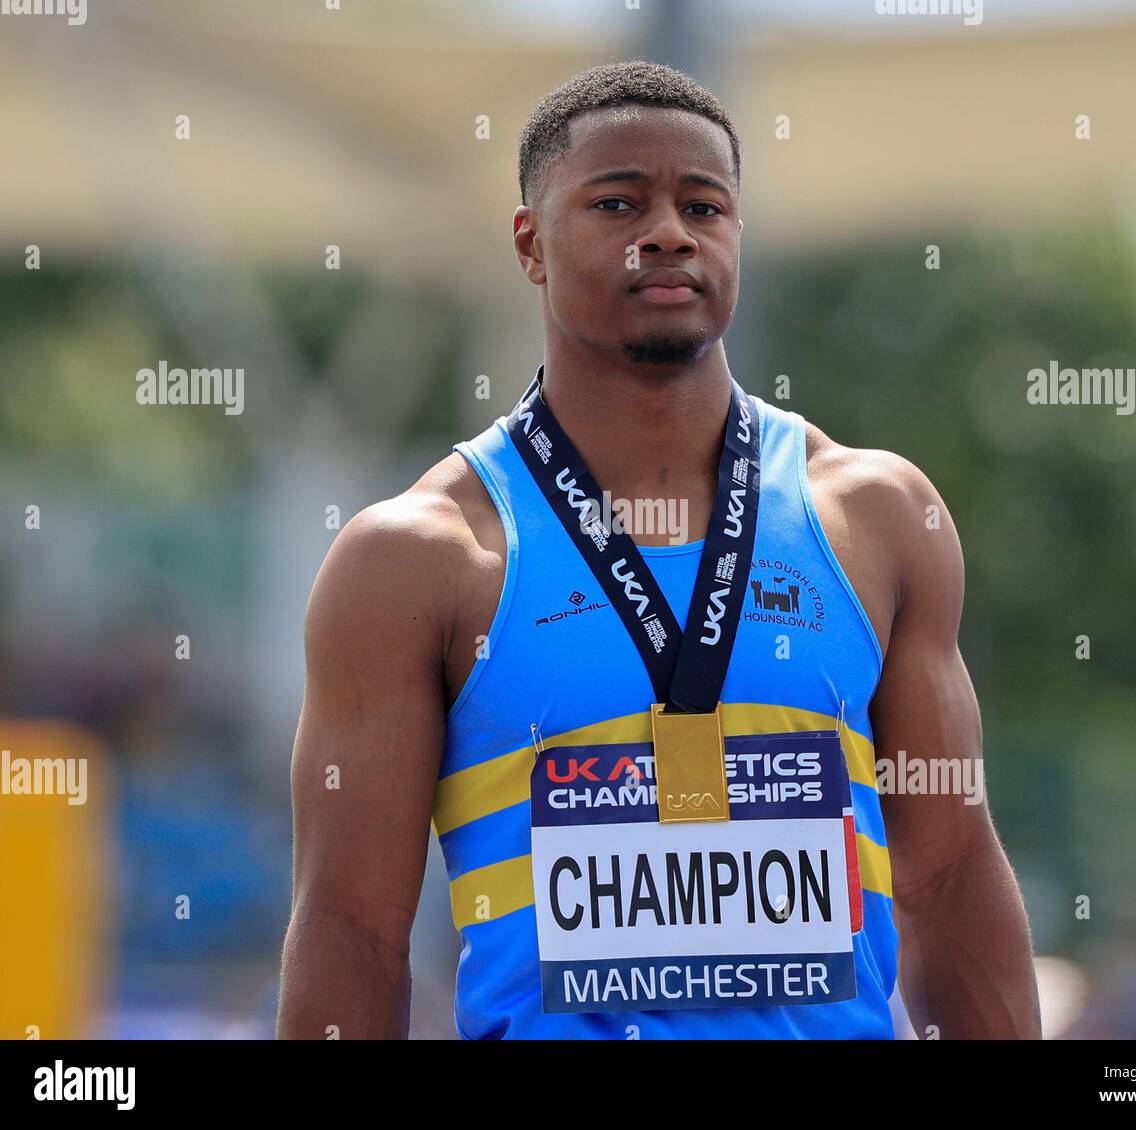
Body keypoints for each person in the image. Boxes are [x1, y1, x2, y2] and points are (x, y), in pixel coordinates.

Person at [276, 60, 1041, 1040]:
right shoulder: (418, 559)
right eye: (617, 202)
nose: (670, 230)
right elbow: (351, 929)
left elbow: (949, 872)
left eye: (705, 205)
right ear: (530, 245)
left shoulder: (878, 517)